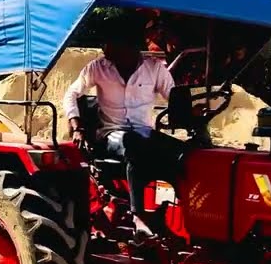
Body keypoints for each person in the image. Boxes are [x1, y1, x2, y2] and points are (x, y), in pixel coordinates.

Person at [62, 16, 185, 237]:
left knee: (184, 153)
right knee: (133, 144)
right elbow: (71, 94)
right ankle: (138, 216)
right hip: (111, 135)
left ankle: (184, 216)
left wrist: (187, 111)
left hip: (145, 133)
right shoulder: (98, 68)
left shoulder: (154, 69)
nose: (105, 49)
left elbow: (174, 97)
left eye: (110, 43)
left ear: (129, 45)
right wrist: (77, 125)